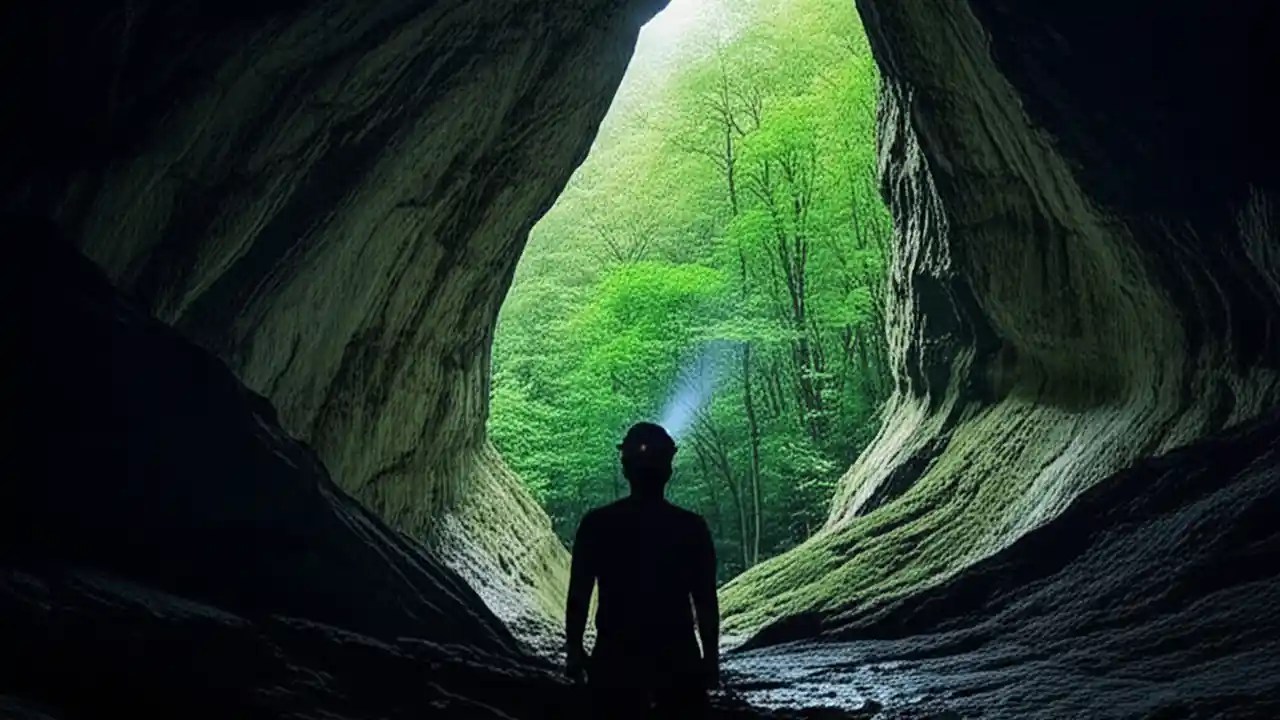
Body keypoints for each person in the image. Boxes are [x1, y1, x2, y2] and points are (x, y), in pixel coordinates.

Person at [565, 422, 719, 719]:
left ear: (625, 469)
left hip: (615, 661)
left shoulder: (597, 525)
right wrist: (710, 660)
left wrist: (574, 650)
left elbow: (579, 594)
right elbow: (705, 600)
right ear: (669, 469)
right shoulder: (691, 528)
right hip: (678, 661)